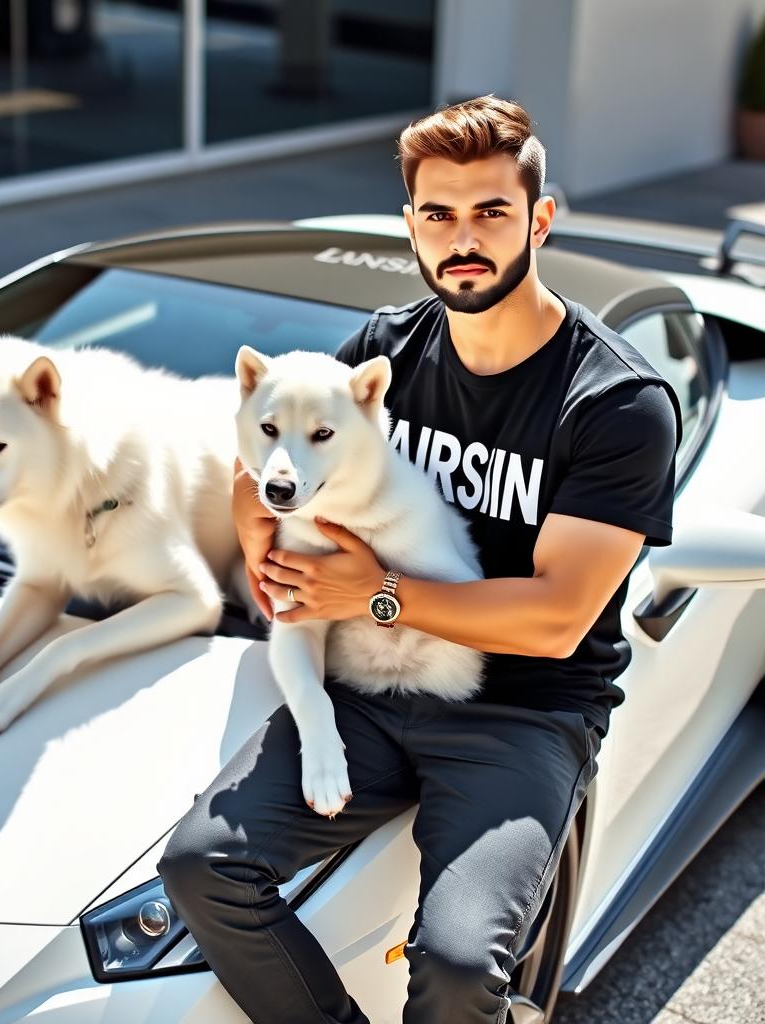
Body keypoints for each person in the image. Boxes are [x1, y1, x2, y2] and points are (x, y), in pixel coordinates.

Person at [157, 94, 682, 1024]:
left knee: (457, 967)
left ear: (540, 218)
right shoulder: (383, 349)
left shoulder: (615, 402)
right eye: (439, 214)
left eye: (490, 211)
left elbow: (557, 617)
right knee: (203, 867)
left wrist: (380, 592)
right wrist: (269, 555)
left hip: (521, 713)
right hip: (364, 692)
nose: (462, 237)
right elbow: (266, 466)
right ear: (412, 227)